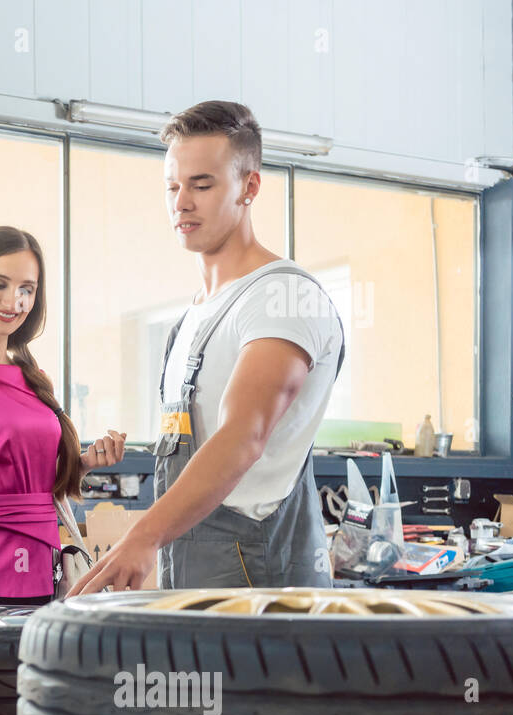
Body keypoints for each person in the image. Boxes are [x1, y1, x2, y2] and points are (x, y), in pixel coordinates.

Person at [69, 101, 345, 595]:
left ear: (249, 187)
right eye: (172, 187)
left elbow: (244, 436)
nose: (181, 203)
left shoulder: (282, 296)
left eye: (202, 185)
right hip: (188, 559)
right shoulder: (193, 316)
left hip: (258, 579)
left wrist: (144, 535)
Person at [0, 226, 126, 606]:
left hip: (42, 584)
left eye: (26, 289)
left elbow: (39, 488)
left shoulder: (34, 378)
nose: (14, 301)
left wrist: (83, 465)